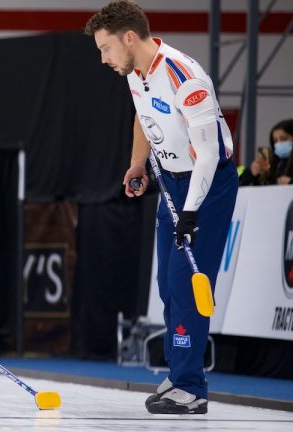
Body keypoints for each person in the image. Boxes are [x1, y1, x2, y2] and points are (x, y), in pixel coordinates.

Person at [85, 1, 238, 415]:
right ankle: (179, 373)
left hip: (206, 185)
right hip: (170, 180)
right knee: (168, 287)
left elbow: (207, 157)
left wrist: (190, 215)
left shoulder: (184, 76)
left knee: (187, 283)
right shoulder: (136, 71)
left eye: (106, 48)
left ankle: (193, 388)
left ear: (129, 37)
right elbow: (142, 117)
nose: (104, 58)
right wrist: (138, 162)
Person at [239, 119, 293, 186]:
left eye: (283, 139)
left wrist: (290, 182)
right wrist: (251, 172)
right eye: (275, 141)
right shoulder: (272, 163)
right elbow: (237, 187)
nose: (279, 143)